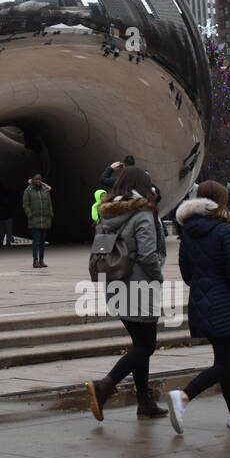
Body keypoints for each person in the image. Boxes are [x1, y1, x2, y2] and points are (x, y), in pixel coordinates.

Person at [167, 181, 230, 434]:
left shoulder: (187, 232)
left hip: (201, 300)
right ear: (221, 201)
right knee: (225, 363)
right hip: (225, 301)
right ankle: (184, 396)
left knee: (226, 358)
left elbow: (186, 273)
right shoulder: (225, 231)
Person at [84, 166, 168, 422]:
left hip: (116, 284)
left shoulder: (106, 214)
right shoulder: (142, 214)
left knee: (139, 345)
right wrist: (158, 276)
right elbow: (147, 254)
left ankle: (144, 401)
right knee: (147, 346)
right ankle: (104, 387)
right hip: (140, 286)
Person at [22, 175, 54, 268]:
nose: (38, 181)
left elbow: (49, 203)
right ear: (32, 180)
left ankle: (42, 260)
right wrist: (30, 215)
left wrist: (50, 213)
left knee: (42, 242)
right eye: (36, 179)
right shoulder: (28, 191)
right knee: (36, 242)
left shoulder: (45, 190)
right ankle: (35, 260)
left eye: (40, 179)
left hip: (45, 219)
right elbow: (25, 205)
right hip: (34, 219)